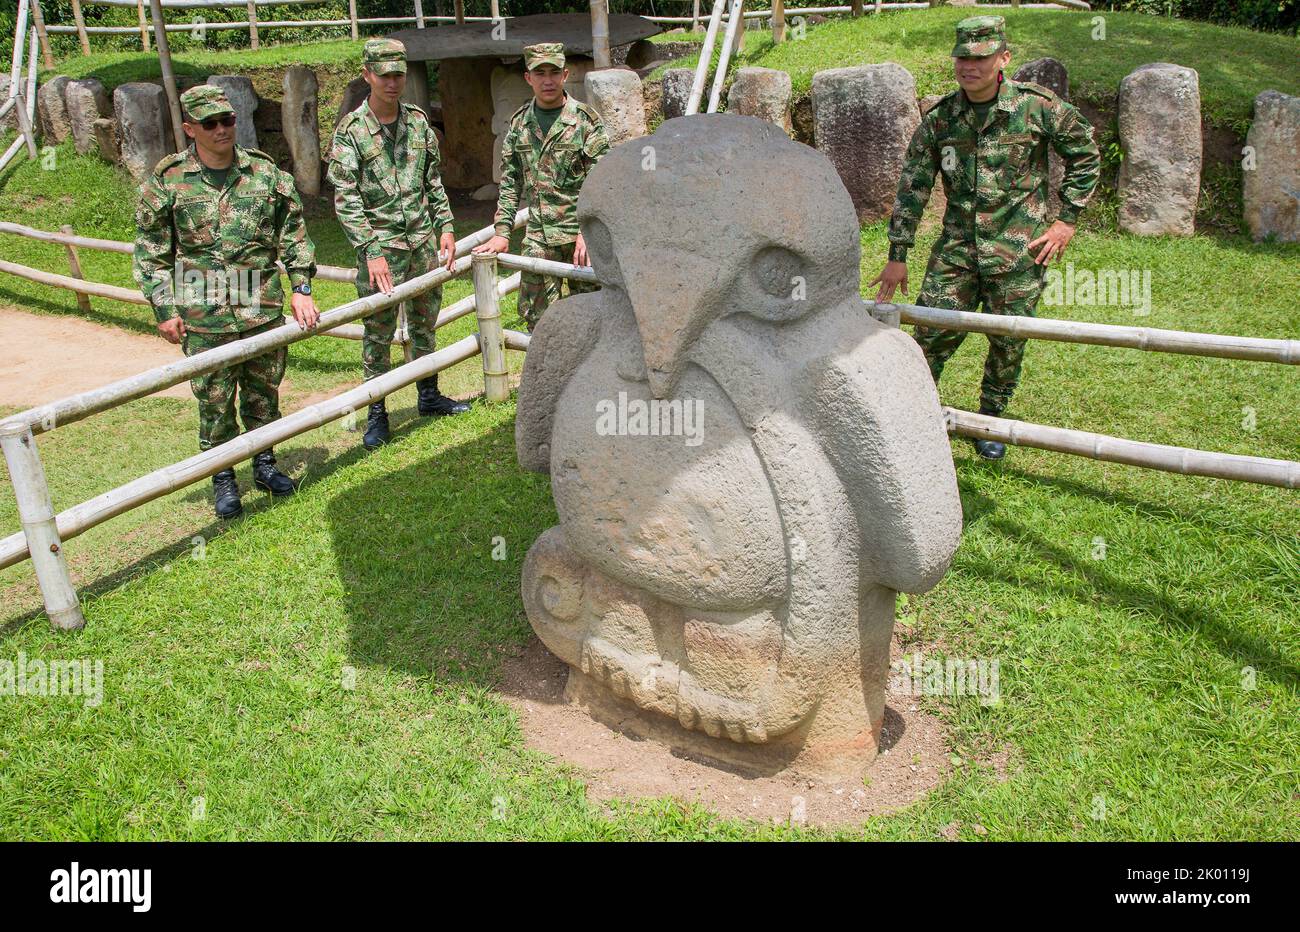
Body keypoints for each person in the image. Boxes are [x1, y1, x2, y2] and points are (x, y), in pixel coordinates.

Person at [871, 15, 1100, 460]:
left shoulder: (1037, 108)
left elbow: (1086, 153)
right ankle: (912, 418)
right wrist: (898, 254)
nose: (968, 66)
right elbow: (913, 187)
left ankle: (991, 421)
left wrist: (1066, 220)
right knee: (929, 337)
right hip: (956, 253)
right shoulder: (940, 121)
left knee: (1008, 343)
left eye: (980, 57)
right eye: (962, 56)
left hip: (1019, 253)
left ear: (1003, 59)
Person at [133, 84, 319, 519]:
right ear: (189, 128)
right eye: (210, 123)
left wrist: (301, 287)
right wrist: (165, 308)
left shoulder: (265, 174)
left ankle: (265, 464)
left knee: (263, 392)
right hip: (202, 311)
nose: (222, 129)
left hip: (260, 306)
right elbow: (151, 252)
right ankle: (223, 478)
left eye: (228, 120)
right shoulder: (168, 181)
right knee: (214, 399)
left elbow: (293, 236)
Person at [328, 37, 470, 452]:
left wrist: (445, 225)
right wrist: (370, 250)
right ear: (367, 75)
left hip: (422, 242)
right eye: (384, 75)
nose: (392, 83)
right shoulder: (351, 132)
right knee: (378, 332)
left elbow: (432, 181)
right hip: (382, 252)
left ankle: (428, 395)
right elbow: (346, 197)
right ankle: (377, 412)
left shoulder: (418, 122)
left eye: (398, 75)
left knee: (426, 322)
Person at [472, 42, 610, 330]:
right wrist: (502, 232)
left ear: (565, 74)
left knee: (594, 320)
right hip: (539, 240)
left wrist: (588, 232)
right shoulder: (519, 124)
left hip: (580, 241)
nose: (547, 80)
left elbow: (602, 184)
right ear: (528, 78)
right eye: (540, 73)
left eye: (554, 72)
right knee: (538, 322)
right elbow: (510, 183)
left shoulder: (586, 122)